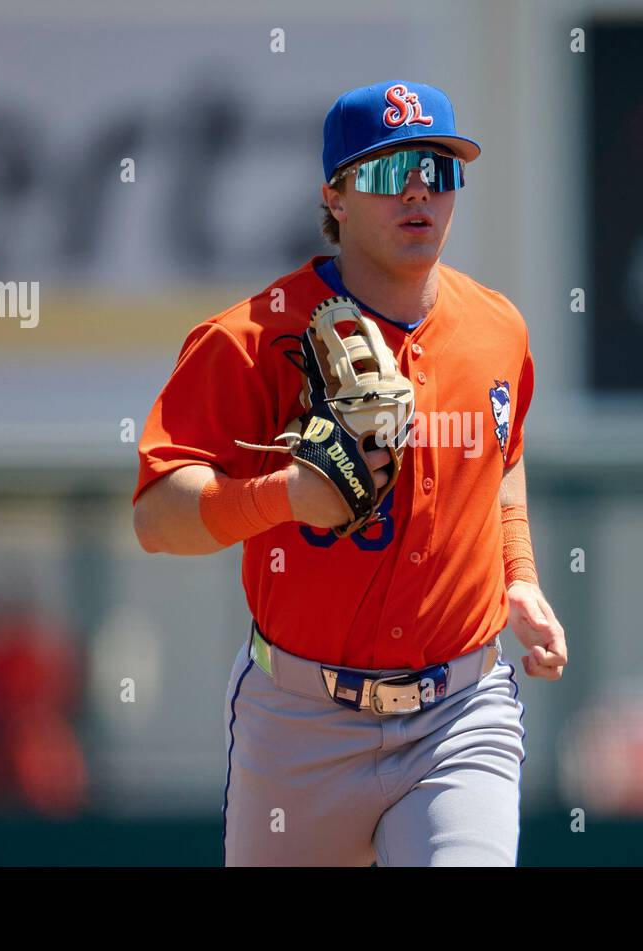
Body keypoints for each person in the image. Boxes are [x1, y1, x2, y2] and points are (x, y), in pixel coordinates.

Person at [132, 80, 567, 866]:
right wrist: (285, 496)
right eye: (384, 171)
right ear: (332, 195)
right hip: (299, 720)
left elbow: (504, 457)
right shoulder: (251, 337)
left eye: (438, 170)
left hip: (458, 712)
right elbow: (157, 515)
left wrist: (521, 575)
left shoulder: (497, 328)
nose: (416, 192)